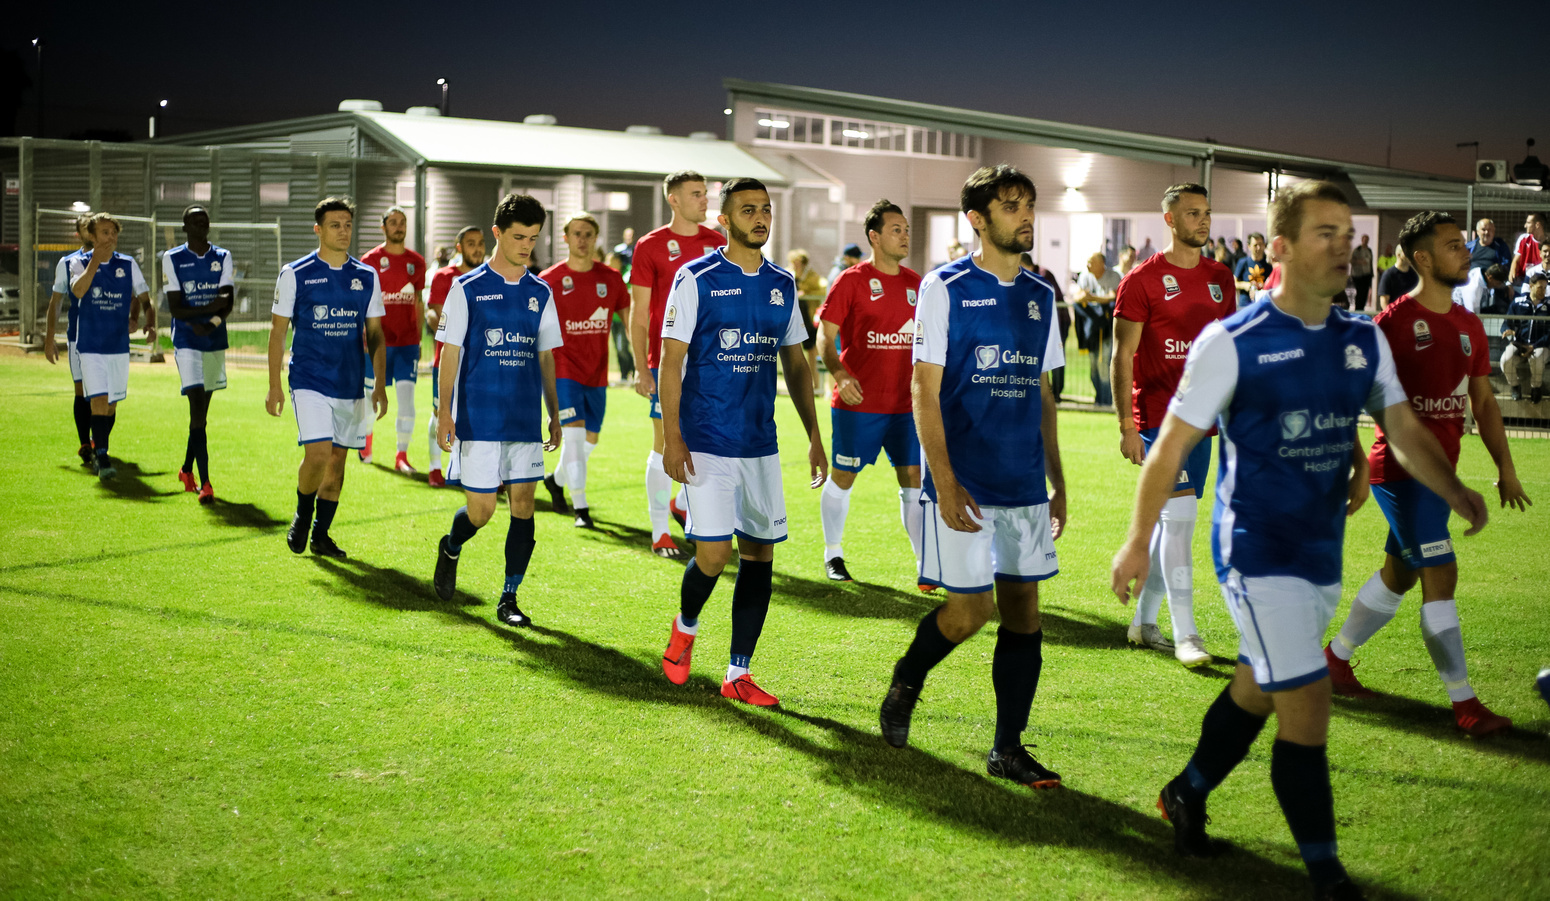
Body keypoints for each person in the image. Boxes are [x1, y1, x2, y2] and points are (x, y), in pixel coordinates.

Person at [1110, 181, 1488, 901]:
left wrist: (1451, 486)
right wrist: (1135, 541)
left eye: (1347, 231)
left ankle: (1186, 790)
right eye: (1325, 232)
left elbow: (1398, 425)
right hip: (1256, 551)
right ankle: (1328, 874)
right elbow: (1169, 451)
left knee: (1257, 686)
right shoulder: (1234, 342)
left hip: (1318, 552)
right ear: (1279, 248)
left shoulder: (1360, 337)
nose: (1343, 243)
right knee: (1307, 699)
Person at [876, 164, 1069, 789]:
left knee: (1024, 611)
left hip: (1023, 485)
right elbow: (922, 392)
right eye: (1011, 206)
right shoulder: (945, 287)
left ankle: (1007, 749)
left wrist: (1057, 480)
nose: (1026, 216)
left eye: (1029, 205)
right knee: (969, 613)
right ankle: (908, 677)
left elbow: (1042, 395)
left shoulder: (1042, 297)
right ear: (978, 220)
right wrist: (946, 480)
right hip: (965, 479)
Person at [1323, 211, 1531, 737]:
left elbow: (1482, 401)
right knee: (1441, 574)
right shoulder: (1392, 323)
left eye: (1465, 244)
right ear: (1422, 258)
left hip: (1442, 475)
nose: (1466, 252)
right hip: (1398, 473)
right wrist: (1350, 465)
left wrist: (1505, 469)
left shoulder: (1466, 325)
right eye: (1454, 245)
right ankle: (1465, 704)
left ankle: (1335, 659)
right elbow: (1351, 397)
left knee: (1402, 572)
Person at [657, 176, 827, 707]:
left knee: (759, 556)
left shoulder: (781, 283)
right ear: (723, 220)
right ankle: (684, 629)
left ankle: (738, 673)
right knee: (712, 555)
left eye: (766, 210)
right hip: (707, 439)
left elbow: (795, 363)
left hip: (761, 444)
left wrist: (815, 436)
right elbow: (671, 360)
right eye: (748, 210)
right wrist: (672, 437)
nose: (760, 218)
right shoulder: (696, 277)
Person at [1111, 183, 1235, 667]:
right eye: (1192, 214)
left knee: (1172, 527)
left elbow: (1227, 346)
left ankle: (1143, 622)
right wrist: (1125, 424)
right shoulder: (1141, 281)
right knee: (1180, 524)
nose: (1202, 221)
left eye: (1206, 213)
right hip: (1158, 419)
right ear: (1169, 220)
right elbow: (1122, 357)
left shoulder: (1220, 277)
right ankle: (1187, 634)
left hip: (1203, 423)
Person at [432, 194, 563, 628]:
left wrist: (555, 413)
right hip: (478, 417)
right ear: (497, 233)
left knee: (524, 503)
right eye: (519, 237)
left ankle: (509, 597)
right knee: (482, 512)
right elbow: (449, 354)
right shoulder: (466, 289)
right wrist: (445, 412)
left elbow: (546, 357)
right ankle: (451, 547)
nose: (526, 245)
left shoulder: (540, 292)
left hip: (523, 419)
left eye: (533, 238)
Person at [265, 197, 387, 558]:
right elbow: (277, 332)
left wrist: (379, 383)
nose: (343, 231)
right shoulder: (296, 273)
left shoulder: (366, 276)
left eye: (348, 224)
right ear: (318, 229)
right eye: (335, 225)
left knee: (337, 463)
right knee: (318, 454)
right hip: (309, 379)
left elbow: (377, 334)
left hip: (350, 382)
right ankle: (303, 516)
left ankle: (321, 534)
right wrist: (274, 385)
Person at [814, 199, 922, 583]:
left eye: (906, 229)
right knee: (843, 477)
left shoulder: (916, 284)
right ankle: (833, 553)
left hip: (907, 406)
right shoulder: (851, 280)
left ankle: (926, 565)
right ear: (874, 237)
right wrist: (841, 375)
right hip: (859, 404)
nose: (905, 235)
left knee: (913, 478)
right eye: (897, 229)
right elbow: (824, 336)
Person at [628, 170, 726, 559]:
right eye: (697, 194)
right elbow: (639, 314)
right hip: (666, 361)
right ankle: (659, 531)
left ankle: (687, 510)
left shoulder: (717, 243)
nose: (705, 200)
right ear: (674, 200)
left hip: (711, 365)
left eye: (706, 194)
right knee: (664, 443)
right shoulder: (650, 246)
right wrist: (640, 367)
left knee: (702, 444)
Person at [538, 213, 630, 528]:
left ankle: (556, 479)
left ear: (596, 238)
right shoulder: (548, 280)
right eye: (576, 233)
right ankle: (582, 509)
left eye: (588, 234)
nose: (582, 239)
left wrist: (642, 360)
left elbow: (629, 322)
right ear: (565, 237)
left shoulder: (612, 279)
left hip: (597, 372)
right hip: (562, 370)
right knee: (574, 439)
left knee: (591, 440)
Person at [67, 212, 155, 482]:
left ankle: (98, 443)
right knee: (99, 400)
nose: (111, 237)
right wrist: (95, 260)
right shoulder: (78, 262)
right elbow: (79, 291)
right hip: (91, 345)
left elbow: (144, 298)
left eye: (113, 232)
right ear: (91, 236)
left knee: (112, 405)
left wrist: (144, 321)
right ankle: (102, 457)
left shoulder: (128, 264)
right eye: (104, 232)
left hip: (118, 346)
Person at [163, 205, 234, 504]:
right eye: (194, 220)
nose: (200, 224)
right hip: (188, 340)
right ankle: (206, 483)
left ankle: (185, 470)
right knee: (196, 409)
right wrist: (208, 311)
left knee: (200, 416)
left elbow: (227, 302)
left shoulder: (223, 256)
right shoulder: (172, 258)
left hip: (214, 339)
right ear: (185, 227)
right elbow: (175, 307)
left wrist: (214, 321)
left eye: (204, 220)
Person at [360, 207, 427, 472]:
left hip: (407, 344)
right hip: (376, 343)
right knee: (369, 397)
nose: (398, 226)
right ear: (384, 227)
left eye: (402, 222)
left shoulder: (417, 262)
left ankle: (402, 455)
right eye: (393, 222)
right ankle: (366, 441)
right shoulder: (370, 260)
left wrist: (419, 339)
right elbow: (362, 302)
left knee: (407, 398)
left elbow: (419, 302)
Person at [425, 226, 487, 487]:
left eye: (481, 243)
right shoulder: (444, 277)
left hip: (481, 364)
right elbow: (434, 315)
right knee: (442, 413)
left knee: (478, 416)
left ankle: (469, 470)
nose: (477, 248)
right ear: (460, 247)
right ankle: (434, 467)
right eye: (471, 243)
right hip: (448, 361)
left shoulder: (489, 277)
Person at [42, 214, 96, 466]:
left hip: (107, 337)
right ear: (79, 234)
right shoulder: (68, 262)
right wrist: (49, 338)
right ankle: (86, 442)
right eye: (87, 228)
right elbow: (56, 302)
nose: (92, 231)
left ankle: (100, 440)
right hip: (78, 335)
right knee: (80, 388)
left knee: (103, 393)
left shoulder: (114, 261)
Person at [1072, 252, 1120, 406]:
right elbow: (1077, 297)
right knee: (1093, 366)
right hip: (1092, 330)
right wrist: (1093, 298)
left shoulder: (1113, 276)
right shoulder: (1085, 277)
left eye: (1091, 262)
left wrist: (1091, 297)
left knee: (1105, 365)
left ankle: (1106, 401)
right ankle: (1099, 398)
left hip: (1108, 329)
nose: (1087, 265)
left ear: (1101, 263)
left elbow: (1112, 297)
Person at [1500, 272, 1550, 402]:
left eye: (1545, 288)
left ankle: (1536, 388)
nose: (1543, 291)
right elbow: (1506, 323)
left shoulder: (1549, 306)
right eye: (1540, 287)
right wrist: (1507, 330)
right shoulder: (1517, 302)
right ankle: (1515, 387)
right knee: (1505, 360)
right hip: (1519, 344)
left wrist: (1533, 346)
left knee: (1537, 357)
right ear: (1531, 286)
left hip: (1540, 345)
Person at [788, 248, 827, 398]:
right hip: (792, 318)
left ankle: (816, 385)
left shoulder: (813, 276)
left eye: (797, 262)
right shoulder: (788, 273)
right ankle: (796, 386)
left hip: (808, 319)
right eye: (793, 262)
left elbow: (822, 290)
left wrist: (805, 292)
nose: (795, 265)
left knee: (812, 352)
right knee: (793, 352)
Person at [1233, 232, 1273, 310]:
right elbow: (1233, 282)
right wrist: (1245, 285)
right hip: (1245, 305)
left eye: (1261, 244)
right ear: (1249, 246)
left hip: (1263, 305)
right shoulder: (1243, 262)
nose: (1258, 248)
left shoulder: (1269, 264)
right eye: (1255, 245)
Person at [1375, 246, 1417, 310]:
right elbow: (1384, 302)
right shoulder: (1388, 275)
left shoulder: (1414, 275)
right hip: (1395, 316)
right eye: (1406, 252)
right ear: (1399, 255)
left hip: (1411, 316)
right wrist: (1391, 317)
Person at [1509, 212, 1546, 282]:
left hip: (1542, 281)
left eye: (1528, 223)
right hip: (1522, 279)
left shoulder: (1547, 242)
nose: (1525, 226)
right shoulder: (1523, 239)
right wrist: (1512, 274)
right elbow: (1516, 260)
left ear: (1537, 225)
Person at [1349, 234, 1374, 311]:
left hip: (1367, 275)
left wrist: (1371, 273)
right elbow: (1351, 260)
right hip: (1358, 275)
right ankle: (1358, 309)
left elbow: (1370, 262)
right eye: (1364, 240)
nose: (1365, 241)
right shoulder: (1357, 250)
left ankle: (1362, 309)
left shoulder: (1369, 250)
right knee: (1359, 293)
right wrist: (1360, 262)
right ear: (1362, 240)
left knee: (1365, 293)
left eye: (1367, 240)